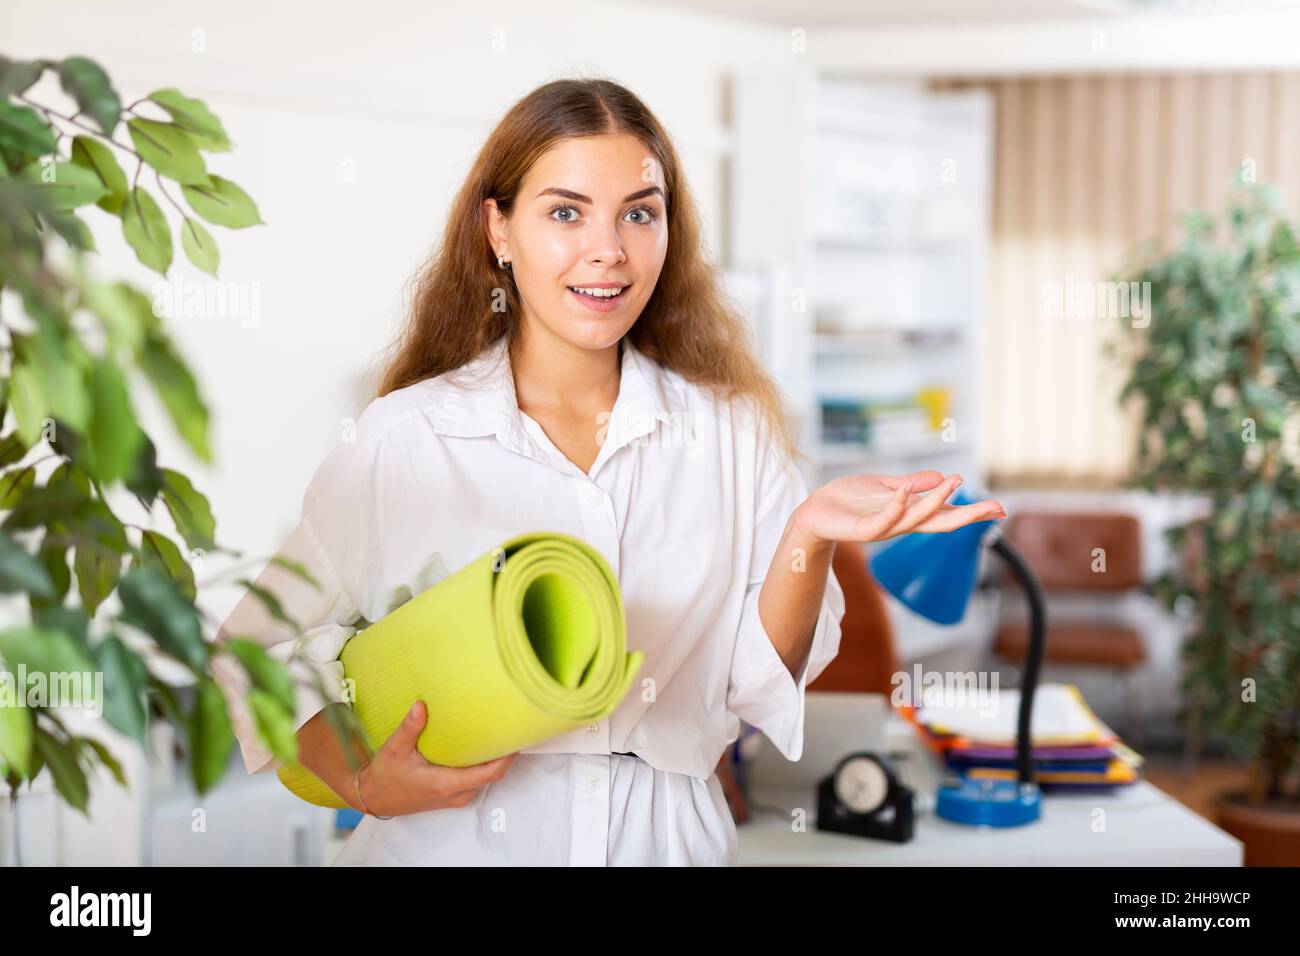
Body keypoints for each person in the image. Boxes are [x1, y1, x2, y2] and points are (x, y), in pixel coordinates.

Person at [212, 77, 1005, 866]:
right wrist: (361, 783)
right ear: (499, 230)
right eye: (566, 212)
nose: (610, 249)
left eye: (639, 212)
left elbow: (761, 682)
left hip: (663, 840)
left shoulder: (732, 435)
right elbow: (254, 653)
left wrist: (812, 533)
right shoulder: (406, 438)